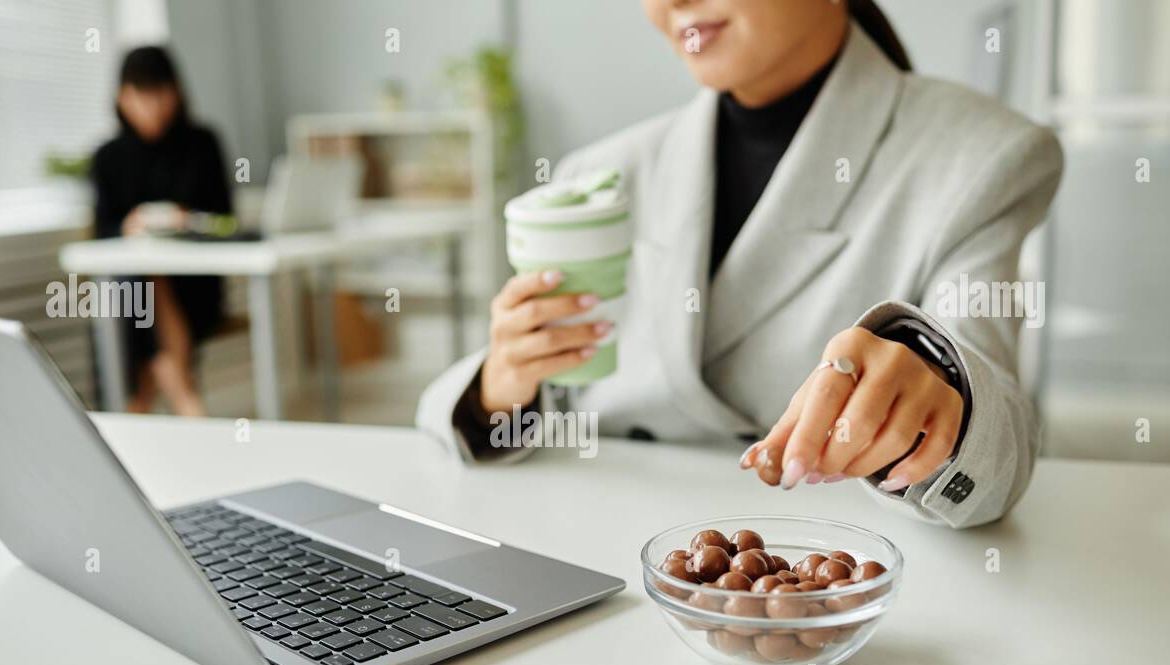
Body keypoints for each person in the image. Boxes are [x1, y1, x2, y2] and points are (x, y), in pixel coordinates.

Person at [417, 0, 1064, 529]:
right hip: (592, 561)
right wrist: (502, 391)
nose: (669, 4)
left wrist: (942, 403)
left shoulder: (980, 156)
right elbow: (543, 407)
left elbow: (998, 451)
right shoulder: (599, 174)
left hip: (811, 587)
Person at [91, 45, 232, 416]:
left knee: (138, 292)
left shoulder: (202, 144)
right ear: (123, 97)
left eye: (161, 93)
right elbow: (102, 229)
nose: (153, 106)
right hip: (133, 288)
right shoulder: (108, 157)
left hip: (195, 287)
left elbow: (224, 219)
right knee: (138, 284)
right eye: (142, 95)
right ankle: (184, 397)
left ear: (177, 92)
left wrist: (188, 220)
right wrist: (128, 224)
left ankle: (137, 407)